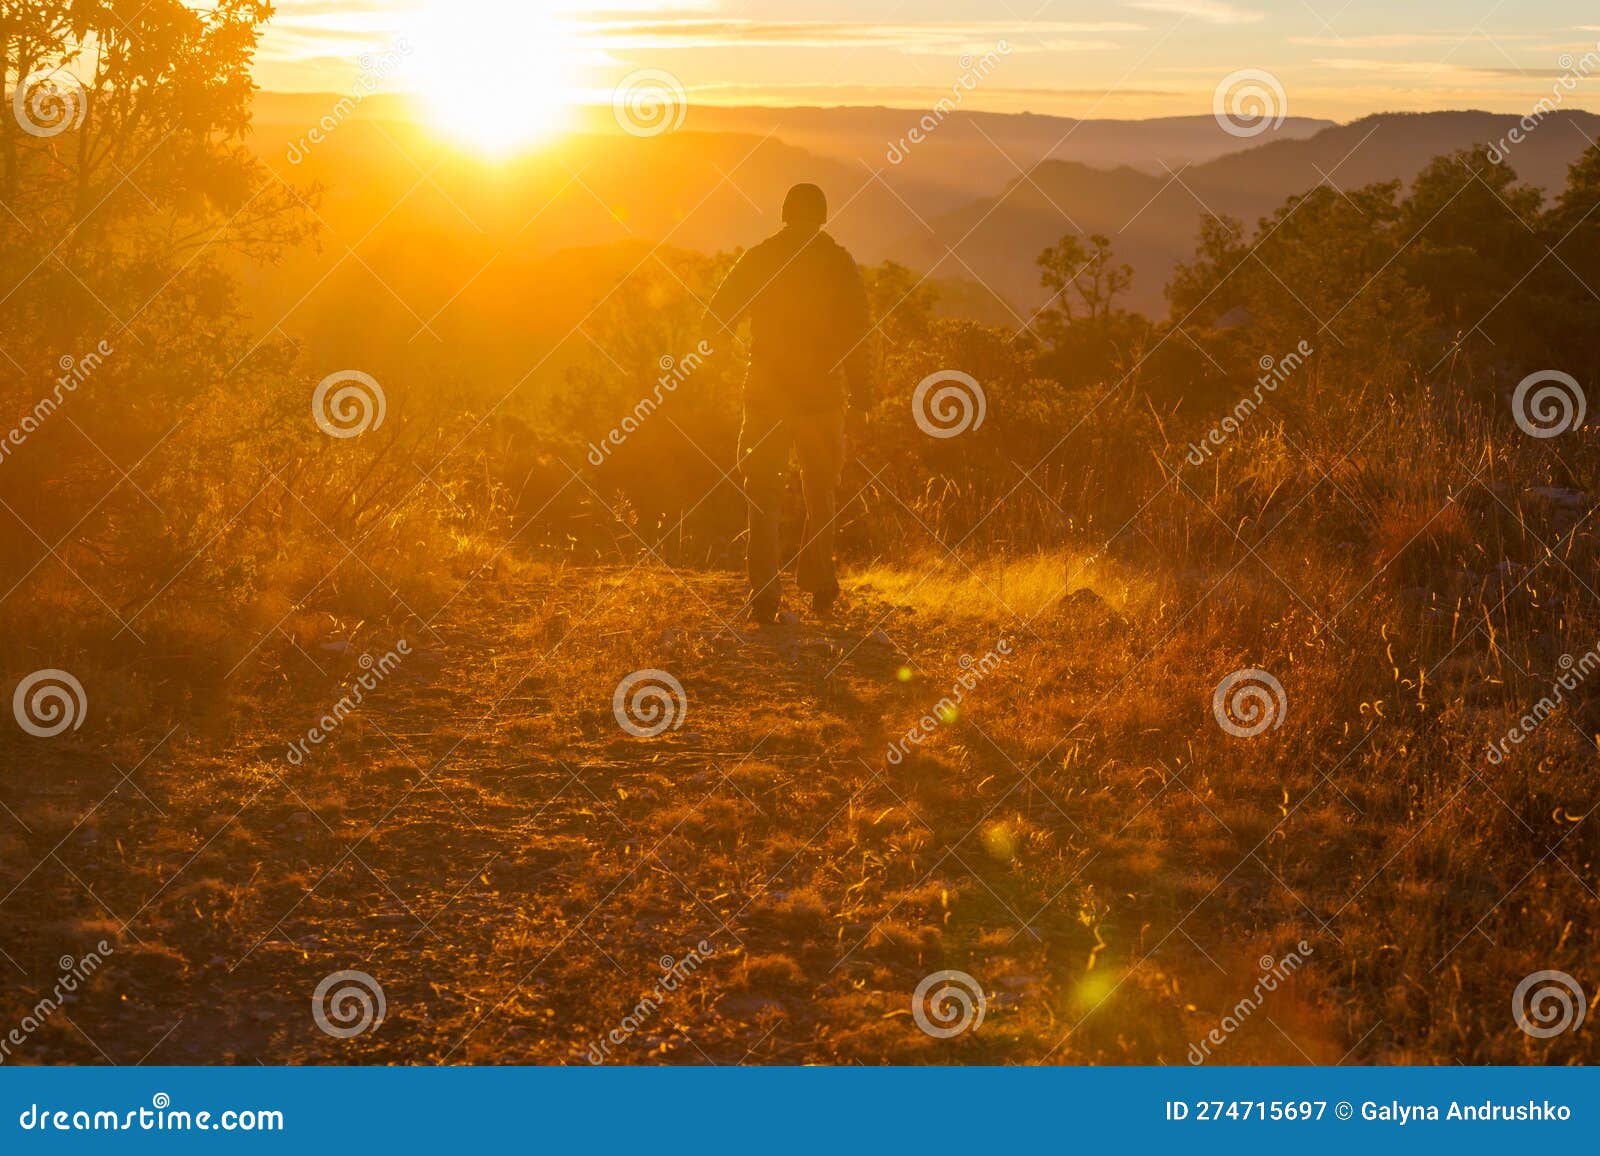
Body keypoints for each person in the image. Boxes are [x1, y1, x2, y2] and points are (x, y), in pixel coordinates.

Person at [704, 183, 873, 623]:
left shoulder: (759, 258)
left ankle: (765, 594)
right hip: (822, 396)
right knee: (820, 493)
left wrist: (724, 355)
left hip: (764, 395)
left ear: (783, 213)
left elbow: (716, 316)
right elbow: (859, 334)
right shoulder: (839, 263)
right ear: (822, 216)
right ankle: (820, 587)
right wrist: (863, 395)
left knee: (763, 495)